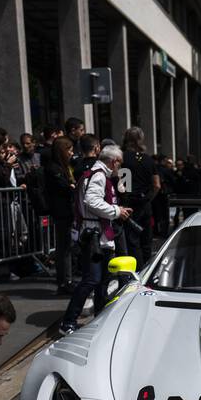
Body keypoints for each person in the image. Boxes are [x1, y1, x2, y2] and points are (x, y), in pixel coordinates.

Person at [61, 144, 132, 334]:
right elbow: (91, 201)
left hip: (99, 234)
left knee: (102, 280)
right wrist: (117, 211)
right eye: (120, 163)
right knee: (92, 280)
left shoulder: (99, 174)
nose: (120, 167)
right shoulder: (99, 175)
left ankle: (99, 318)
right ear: (114, 161)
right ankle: (68, 321)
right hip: (94, 235)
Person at [119, 127, 159, 263]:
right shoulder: (149, 159)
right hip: (146, 204)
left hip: (130, 204)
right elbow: (157, 185)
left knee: (132, 241)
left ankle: (137, 270)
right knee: (146, 240)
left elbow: (124, 185)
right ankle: (148, 268)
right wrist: (148, 199)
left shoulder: (123, 158)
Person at [44, 135, 77, 291]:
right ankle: (64, 282)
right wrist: (71, 187)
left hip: (66, 210)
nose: (71, 153)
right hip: (61, 211)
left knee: (66, 247)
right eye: (69, 149)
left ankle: (67, 280)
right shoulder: (53, 168)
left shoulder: (65, 167)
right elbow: (65, 187)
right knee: (63, 247)